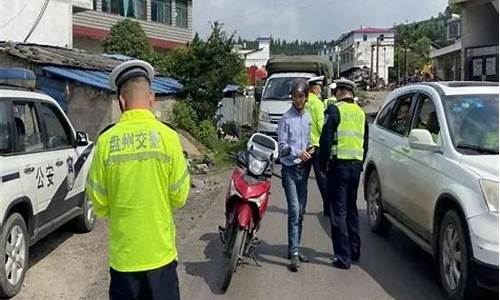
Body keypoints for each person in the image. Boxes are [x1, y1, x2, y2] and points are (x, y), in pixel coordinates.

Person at [86, 60, 190, 300]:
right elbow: (180, 196)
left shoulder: (106, 142)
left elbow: (99, 202)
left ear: (121, 102)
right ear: (151, 97)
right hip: (160, 259)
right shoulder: (169, 138)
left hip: (125, 262)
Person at [319, 78, 369, 270]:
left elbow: (326, 139)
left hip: (339, 166)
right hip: (356, 167)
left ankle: (343, 256)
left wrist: (323, 165)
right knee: (351, 207)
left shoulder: (334, 110)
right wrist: (360, 164)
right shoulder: (360, 113)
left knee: (338, 211)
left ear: (339, 92)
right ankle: (355, 251)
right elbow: (365, 142)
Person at [277, 78, 313, 272]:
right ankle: (295, 253)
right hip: (289, 169)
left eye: (301, 96)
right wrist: (296, 152)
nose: (298, 100)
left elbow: (310, 140)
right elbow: (281, 146)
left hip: (304, 169)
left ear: (306, 97)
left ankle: (295, 248)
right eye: (294, 96)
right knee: (293, 210)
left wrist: (310, 150)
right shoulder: (285, 119)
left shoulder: (308, 118)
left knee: (301, 210)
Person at [305, 76, 329, 217]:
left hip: (304, 146)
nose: (321, 89)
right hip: (316, 146)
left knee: (302, 179)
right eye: (320, 87)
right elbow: (321, 125)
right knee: (322, 178)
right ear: (315, 88)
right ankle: (327, 207)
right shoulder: (318, 104)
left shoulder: (304, 101)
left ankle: (300, 206)